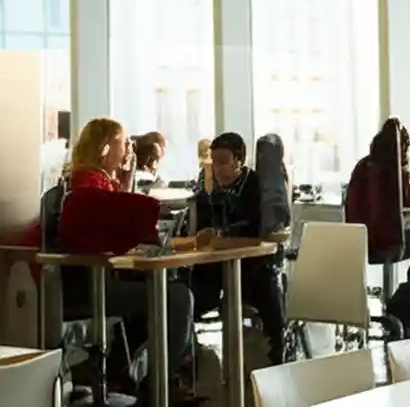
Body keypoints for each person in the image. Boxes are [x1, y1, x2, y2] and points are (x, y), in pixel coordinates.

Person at [57, 117, 195, 400]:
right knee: (178, 298)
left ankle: (144, 377)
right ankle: (156, 384)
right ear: (106, 147)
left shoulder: (89, 180)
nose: (129, 149)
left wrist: (126, 178)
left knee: (167, 294)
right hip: (92, 285)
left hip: (89, 280)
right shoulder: (92, 186)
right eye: (124, 142)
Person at [191, 133, 287, 364]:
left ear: (239, 160)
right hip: (215, 264)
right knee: (189, 293)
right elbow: (202, 225)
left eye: (223, 162)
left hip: (249, 263)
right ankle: (187, 355)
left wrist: (223, 233)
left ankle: (278, 348)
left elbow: (254, 226)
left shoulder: (254, 186)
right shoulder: (206, 185)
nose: (217, 169)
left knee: (266, 283)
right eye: (214, 162)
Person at [345, 118, 410, 285]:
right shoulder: (393, 170)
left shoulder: (364, 165)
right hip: (386, 242)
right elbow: (406, 206)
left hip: (358, 242)